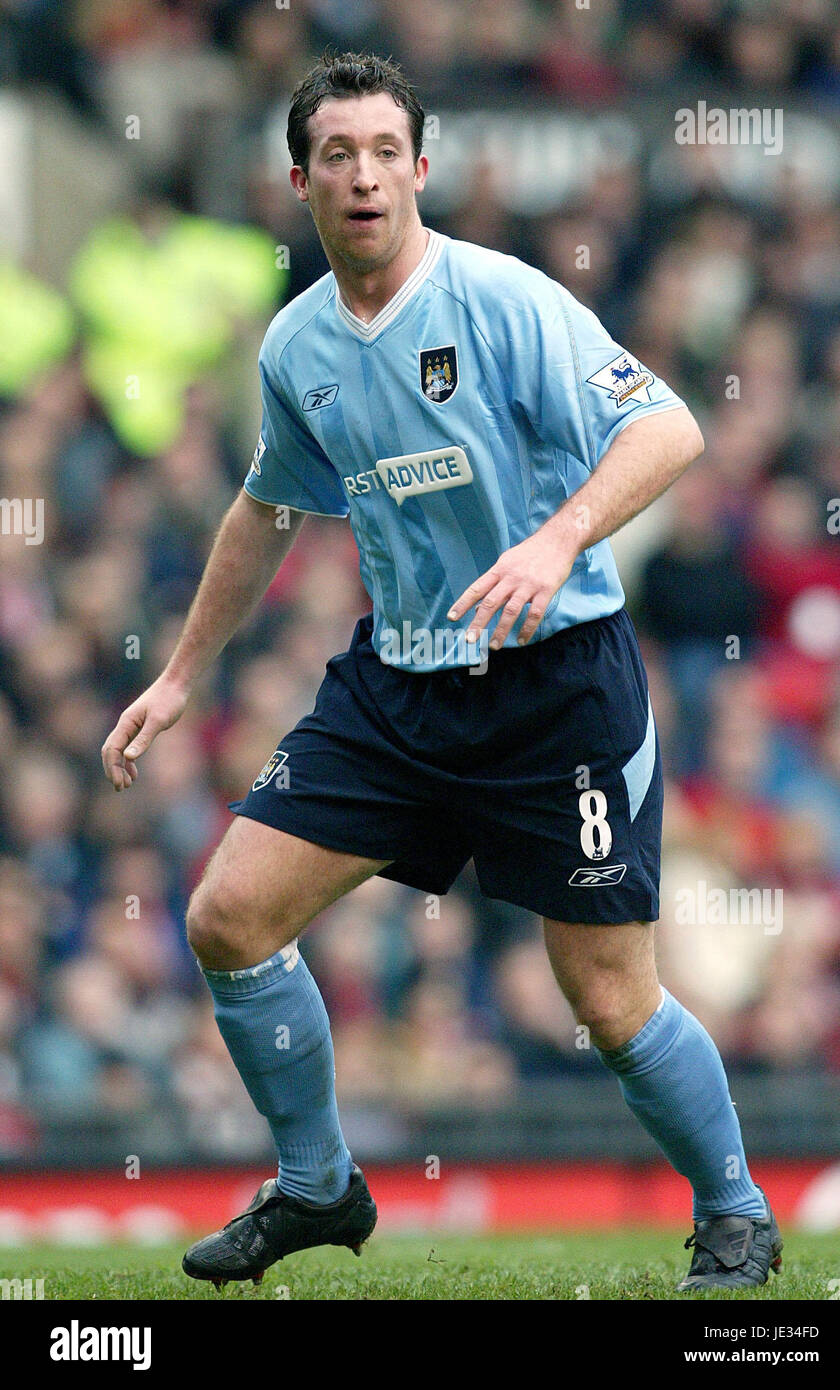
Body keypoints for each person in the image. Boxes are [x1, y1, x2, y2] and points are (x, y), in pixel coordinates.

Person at [101, 51, 781, 1293]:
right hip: (398, 686)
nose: (361, 176)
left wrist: (557, 534)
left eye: (382, 153)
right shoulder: (297, 343)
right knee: (226, 917)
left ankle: (735, 1214)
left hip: (554, 681)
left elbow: (669, 426)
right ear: (298, 178)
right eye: (335, 156)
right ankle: (317, 1188)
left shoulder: (505, 300)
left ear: (419, 169)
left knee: (609, 999)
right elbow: (265, 509)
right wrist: (185, 671)